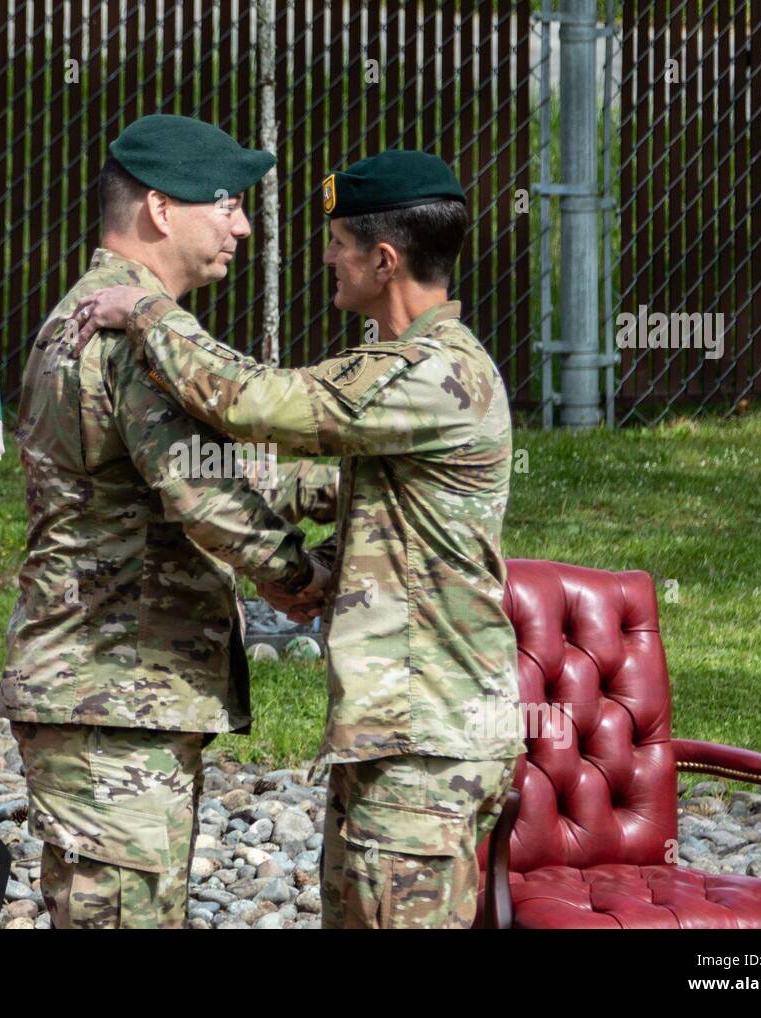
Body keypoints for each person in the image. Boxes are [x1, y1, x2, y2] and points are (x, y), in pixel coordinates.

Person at [75, 149, 524, 929]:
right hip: (396, 739)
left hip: (427, 744)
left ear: (385, 262)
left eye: (338, 244)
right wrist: (199, 484)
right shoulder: (404, 373)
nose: (325, 257)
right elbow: (320, 486)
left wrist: (149, 315)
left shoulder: (436, 375)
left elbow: (259, 401)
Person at [0, 114, 330, 929]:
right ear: (159, 210)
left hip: (102, 692)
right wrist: (303, 580)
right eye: (227, 203)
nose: (243, 225)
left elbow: (171, 485)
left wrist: (341, 490)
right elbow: (199, 493)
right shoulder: (137, 331)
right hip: (114, 693)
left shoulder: (88, 313)